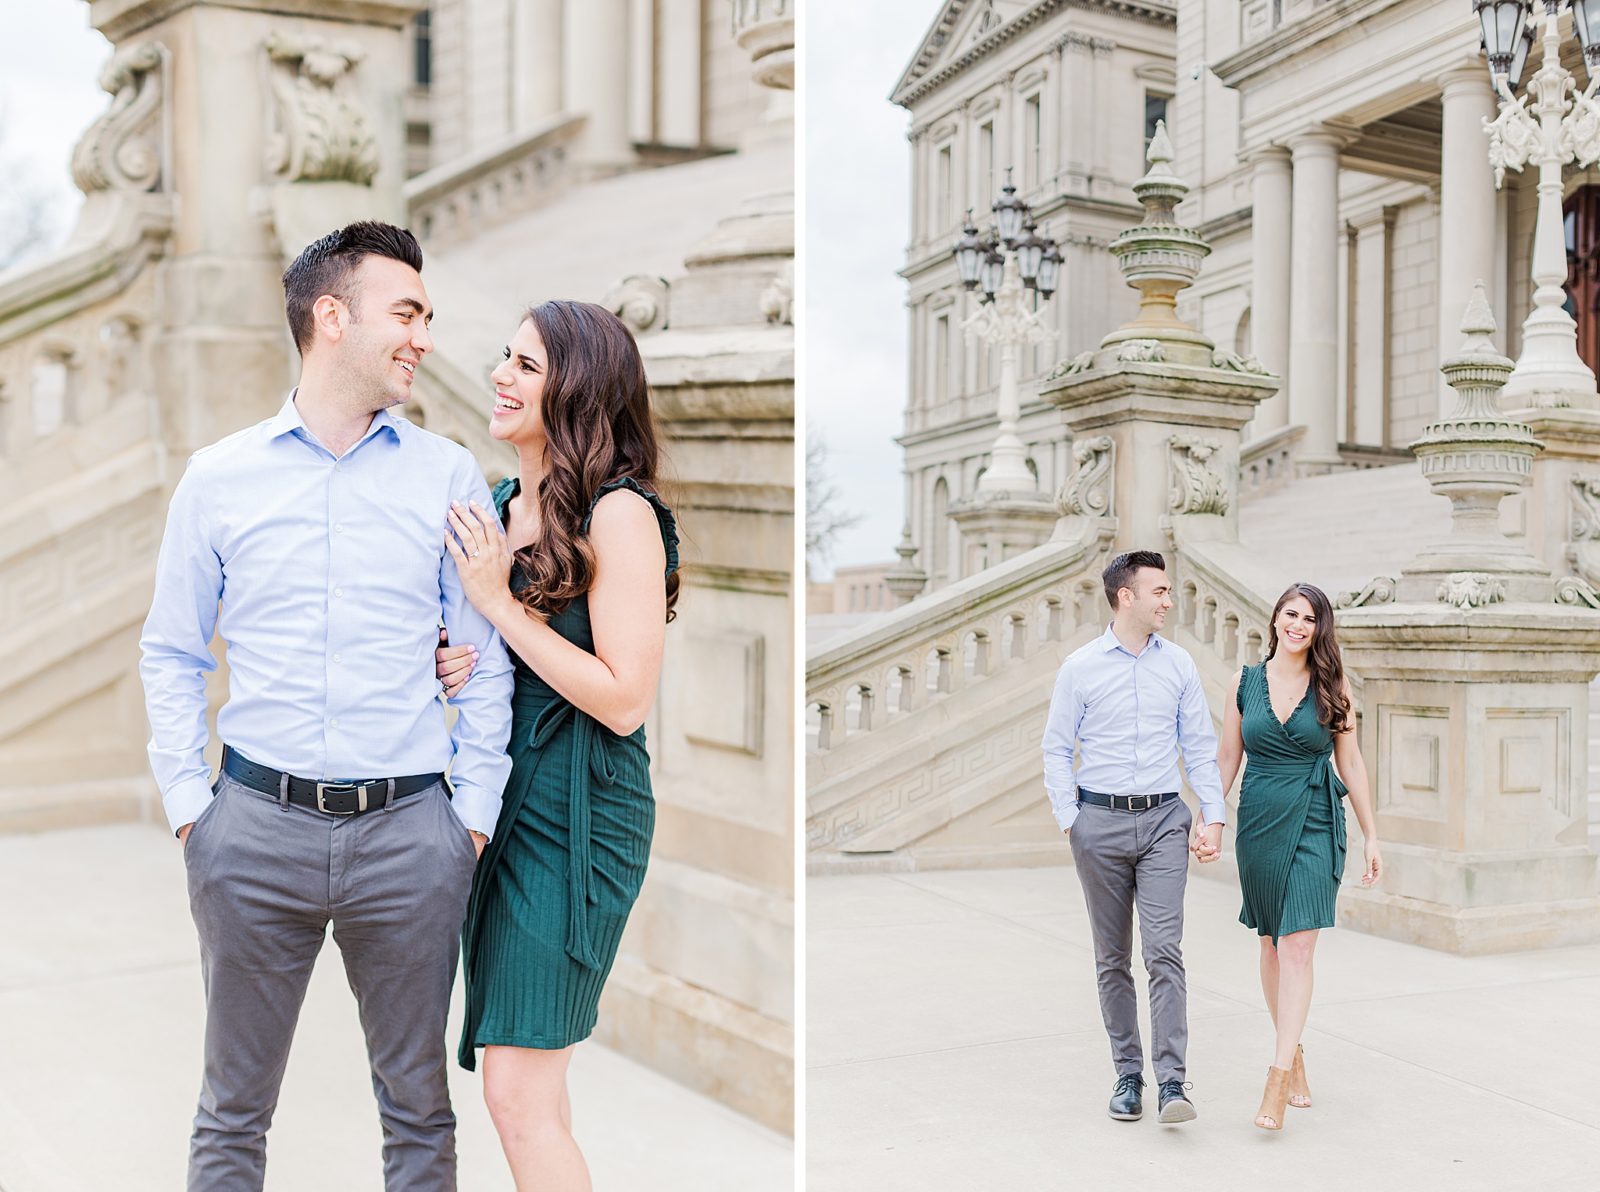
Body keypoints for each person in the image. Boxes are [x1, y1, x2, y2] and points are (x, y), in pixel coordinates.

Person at [139, 220, 515, 1191]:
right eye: (407, 312)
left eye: (427, 316)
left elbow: (482, 654)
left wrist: (468, 817)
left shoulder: (447, 476)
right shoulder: (218, 479)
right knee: (232, 1112)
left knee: (419, 1113)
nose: (424, 336)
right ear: (330, 315)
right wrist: (192, 807)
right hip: (251, 833)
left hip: (410, 836)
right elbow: (173, 650)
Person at [443, 299, 679, 1190]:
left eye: (527, 366)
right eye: (503, 357)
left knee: (515, 1088)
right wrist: (464, 659)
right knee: (532, 1085)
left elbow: (624, 700)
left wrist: (500, 607)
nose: (499, 376)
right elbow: (519, 666)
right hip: (503, 801)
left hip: (582, 814)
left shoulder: (622, 516)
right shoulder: (503, 506)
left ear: (578, 390)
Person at [1041, 550, 1225, 1125]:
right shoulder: (1080, 667)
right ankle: (1128, 1074)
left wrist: (1212, 812)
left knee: (1164, 951)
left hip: (1165, 822)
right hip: (1099, 823)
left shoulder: (1180, 665)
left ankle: (1172, 1083)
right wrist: (1072, 820)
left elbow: (1198, 746)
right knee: (1113, 959)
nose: (1168, 601)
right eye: (1160, 592)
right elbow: (1055, 747)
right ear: (1127, 596)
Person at [1215, 582, 1381, 1131]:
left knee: (1298, 947)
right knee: (1269, 943)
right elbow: (1226, 762)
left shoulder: (1334, 686)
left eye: (1310, 619)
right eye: (1291, 614)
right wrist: (1208, 819)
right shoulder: (1245, 683)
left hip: (1315, 817)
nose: (1299, 625)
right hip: (1259, 820)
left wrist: (1371, 836)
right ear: (1276, 619)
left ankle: (1277, 1079)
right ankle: (1297, 1052)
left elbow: (1351, 764)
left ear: (1320, 629)